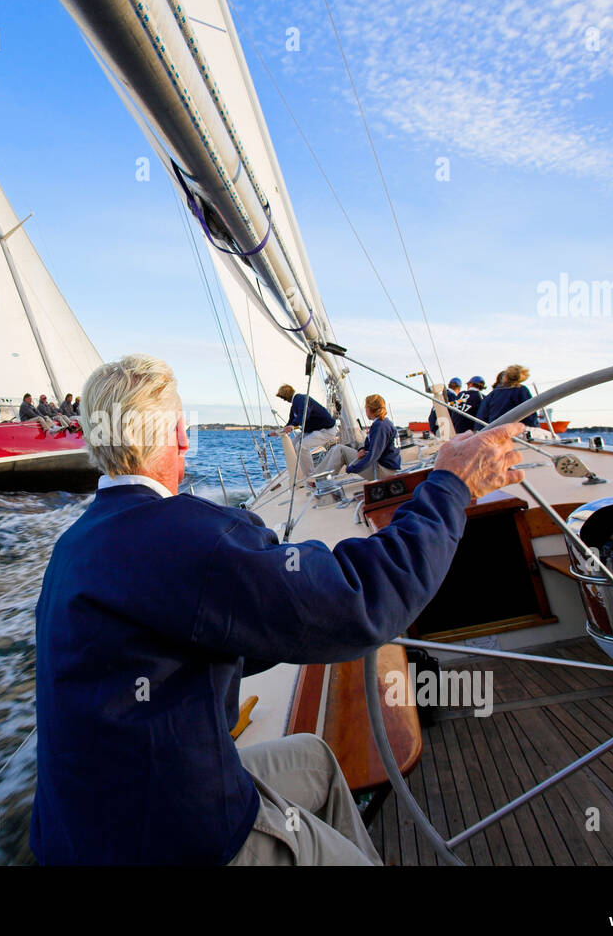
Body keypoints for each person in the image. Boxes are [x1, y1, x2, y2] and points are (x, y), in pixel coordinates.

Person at [30, 353, 525, 865]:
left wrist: (277, 625)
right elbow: (363, 602)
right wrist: (450, 486)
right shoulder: (188, 536)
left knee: (316, 760)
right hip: (180, 838)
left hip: (83, 833)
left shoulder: (74, 545)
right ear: (178, 435)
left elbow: (178, 641)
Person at [316, 394, 401, 480]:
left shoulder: (379, 426)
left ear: (370, 408)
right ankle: (318, 478)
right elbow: (375, 449)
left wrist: (353, 468)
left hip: (382, 472)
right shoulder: (385, 423)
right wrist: (362, 449)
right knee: (337, 448)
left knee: (340, 450)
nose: (365, 410)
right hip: (388, 469)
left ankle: (323, 482)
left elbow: (373, 456)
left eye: (366, 407)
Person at [276, 384, 338, 457]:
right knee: (292, 445)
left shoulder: (300, 399)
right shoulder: (294, 406)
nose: (284, 400)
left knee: (300, 447)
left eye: (284, 398)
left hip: (326, 431)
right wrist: (279, 432)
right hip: (314, 430)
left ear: (286, 395)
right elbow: (290, 423)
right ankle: (297, 467)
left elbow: (305, 412)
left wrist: (293, 425)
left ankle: (308, 469)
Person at [475, 364, 539, 431]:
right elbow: (530, 415)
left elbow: (482, 416)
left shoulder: (492, 394)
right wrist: (535, 426)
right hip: (512, 431)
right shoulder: (521, 390)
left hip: (492, 431)